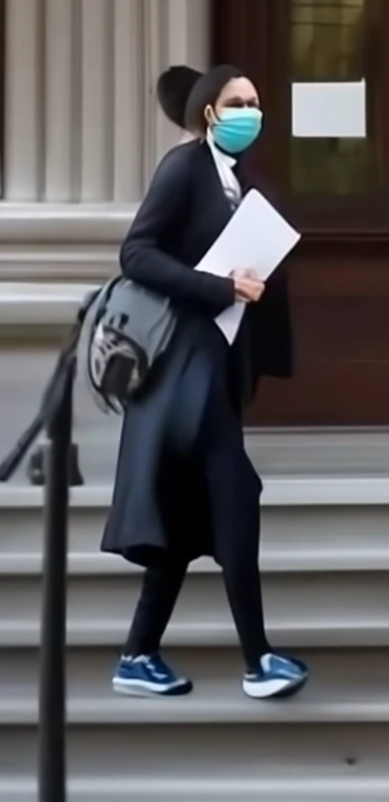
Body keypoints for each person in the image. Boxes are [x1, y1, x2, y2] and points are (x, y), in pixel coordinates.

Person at [101, 65, 309, 699]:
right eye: (236, 102)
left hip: (211, 370)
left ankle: (138, 656)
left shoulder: (237, 179)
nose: (250, 110)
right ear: (208, 113)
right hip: (177, 372)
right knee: (234, 499)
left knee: (184, 515)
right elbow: (137, 252)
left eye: (255, 100)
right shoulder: (184, 167)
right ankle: (259, 659)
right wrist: (222, 286)